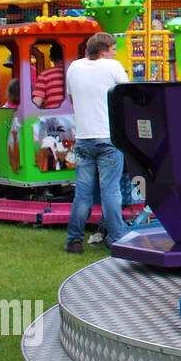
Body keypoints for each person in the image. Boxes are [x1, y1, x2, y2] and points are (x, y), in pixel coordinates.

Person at [64, 32, 130, 253]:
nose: (114, 52)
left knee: (82, 193)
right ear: (103, 51)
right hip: (107, 138)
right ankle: (118, 238)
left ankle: (74, 239)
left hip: (83, 138)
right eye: (112, 48)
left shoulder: (73, 68)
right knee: (110, 191)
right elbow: (127, 95)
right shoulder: (113, 67)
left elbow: (72, 98)